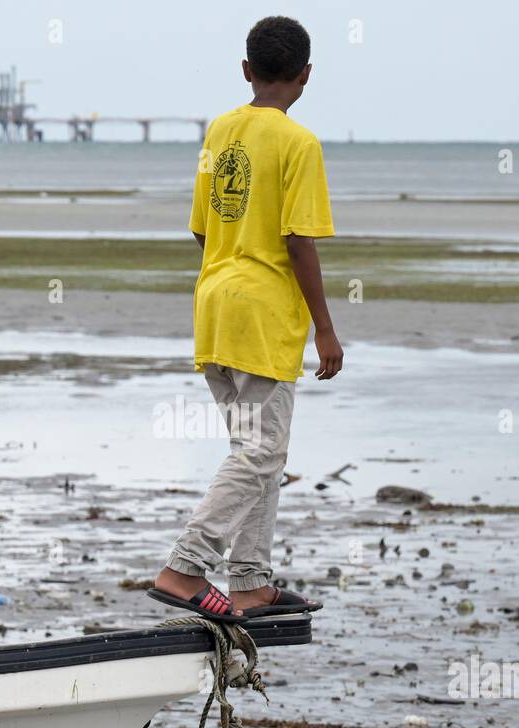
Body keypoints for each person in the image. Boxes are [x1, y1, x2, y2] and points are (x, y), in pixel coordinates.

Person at [147, 15, 342, 623]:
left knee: (258, 452)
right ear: (306, 76)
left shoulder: (222, 130)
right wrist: (326, 329)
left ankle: (252, 582)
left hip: (214, 305)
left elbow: (205, 227)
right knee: (259, 452)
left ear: (245, 70)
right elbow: (298, 240)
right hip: (262, 317)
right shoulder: (299, 143)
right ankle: (186, 566)